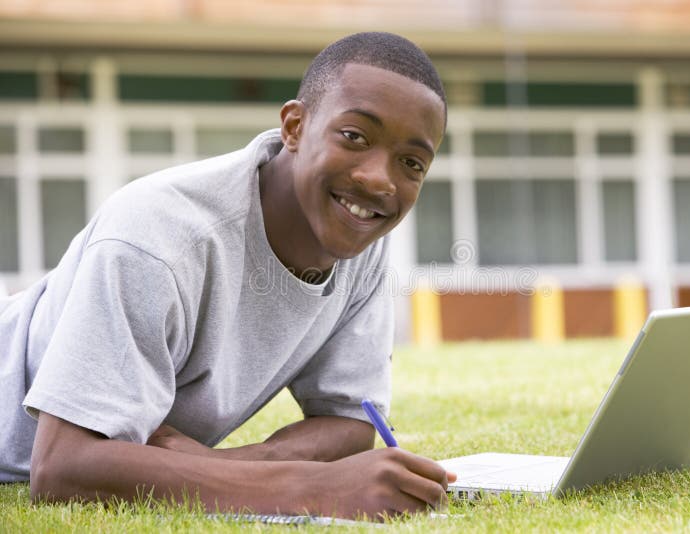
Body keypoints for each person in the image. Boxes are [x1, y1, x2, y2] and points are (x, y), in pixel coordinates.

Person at [0, 31, 454, 519]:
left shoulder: (359, 239)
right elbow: (63, 468)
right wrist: (312, 487)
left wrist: (236, 465)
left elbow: (347, 422)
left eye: (411, 163)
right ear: (294, 127)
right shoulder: (157, 234)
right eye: (355, 137)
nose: (379, 179)